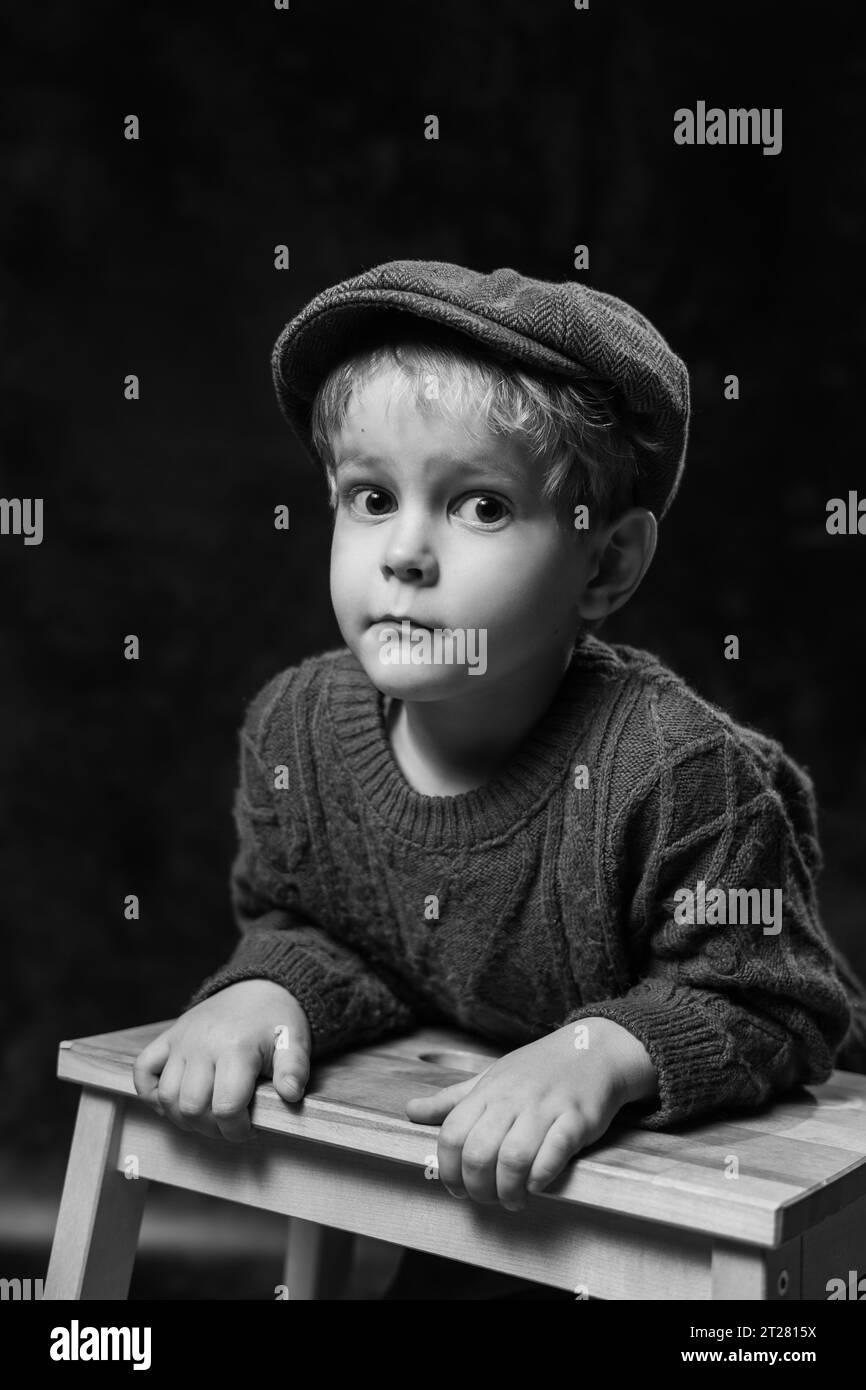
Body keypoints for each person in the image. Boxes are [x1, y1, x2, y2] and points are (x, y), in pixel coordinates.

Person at [133, 260, 866, 1226]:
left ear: (606, 563)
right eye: (370, 497)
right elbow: (332, 930)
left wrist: (596, 1054)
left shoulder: (678, 773)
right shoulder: (295, 730)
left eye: (480, 505)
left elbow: (782, 1007)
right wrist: (272, 985)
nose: (404, 553)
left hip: (695, 1202)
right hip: (480, 1180)